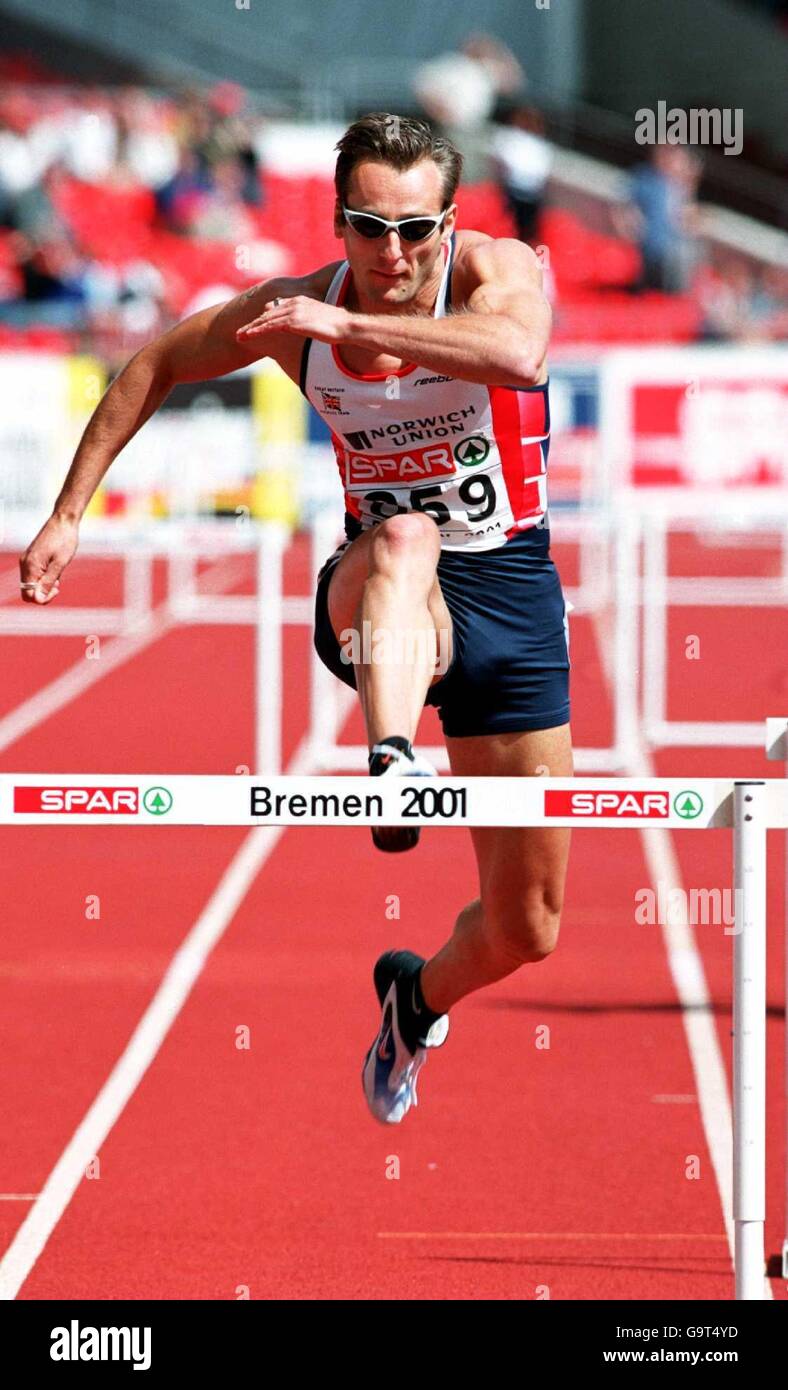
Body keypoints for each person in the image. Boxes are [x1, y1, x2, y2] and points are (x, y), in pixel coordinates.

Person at [20, 113, 572, 1127]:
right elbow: (152, 364)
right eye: (368, 227)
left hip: (507, 592)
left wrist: (353, 330)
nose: (392, 253)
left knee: (525, 924)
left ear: (450, 223)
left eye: (414, 229)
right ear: (337, 221)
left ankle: (414, 998)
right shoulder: (291, 310)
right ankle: (392, 761)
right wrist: (67, 513)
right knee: (404, 541)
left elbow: (521, 353)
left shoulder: (491, 271)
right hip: (373, 597)